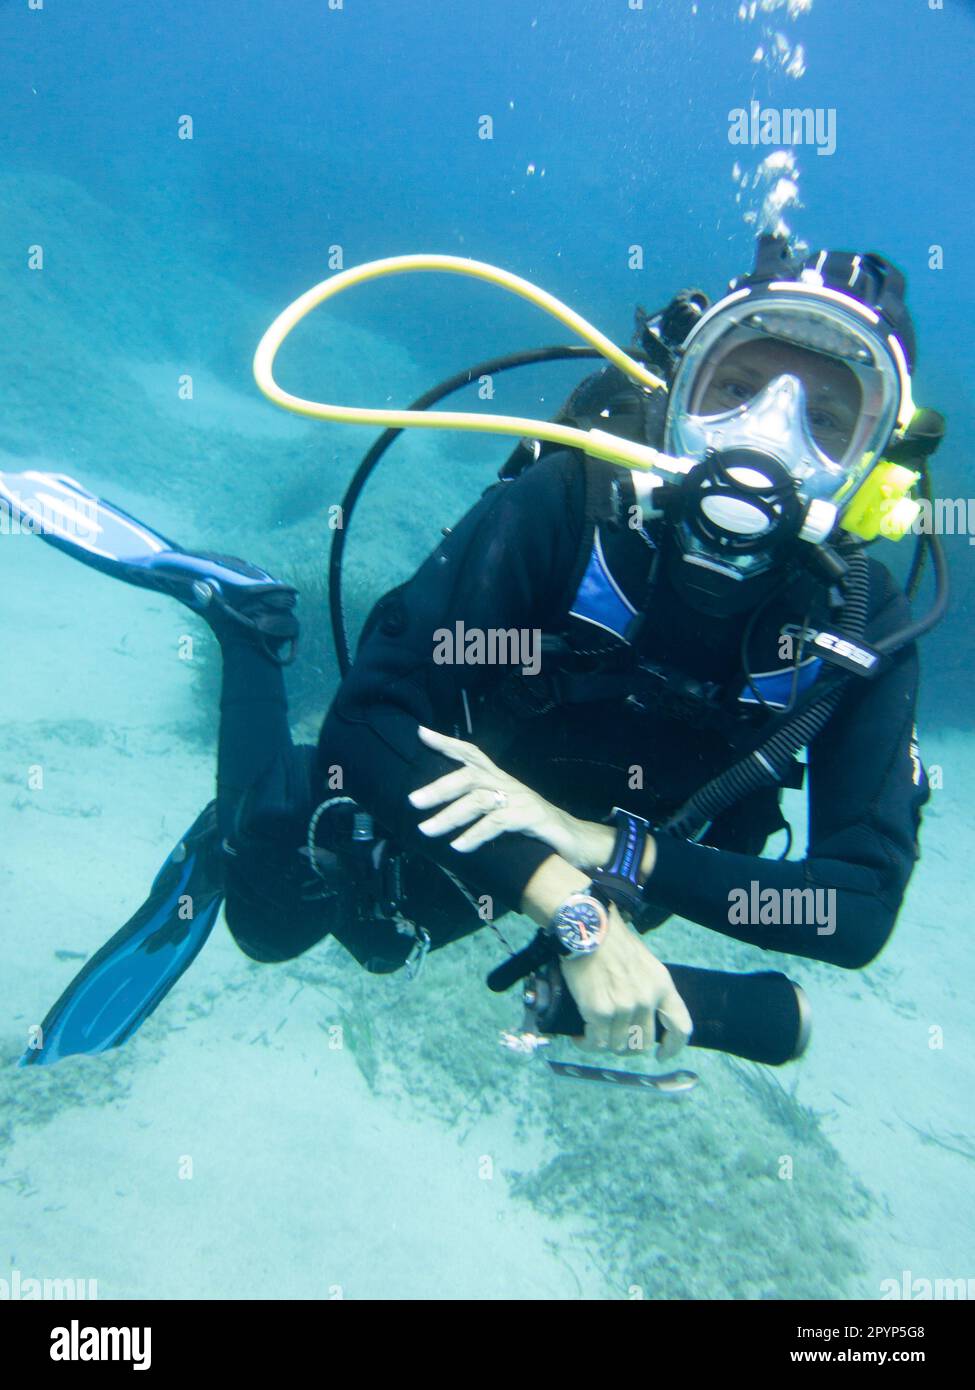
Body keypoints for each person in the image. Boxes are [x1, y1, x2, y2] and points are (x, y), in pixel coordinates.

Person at [6, 234, 944, 1067]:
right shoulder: (572, 509)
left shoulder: (861, 629)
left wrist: (604, 853)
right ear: (680, 395)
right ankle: (250, 627)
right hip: (454, 783)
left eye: (825, 418)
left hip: (587, 847)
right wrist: (569, 906)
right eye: (735, 389)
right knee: (270, 923)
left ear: (872, 466)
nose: (765, 437)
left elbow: (849, 908)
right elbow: (372, 718)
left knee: (379, 946)